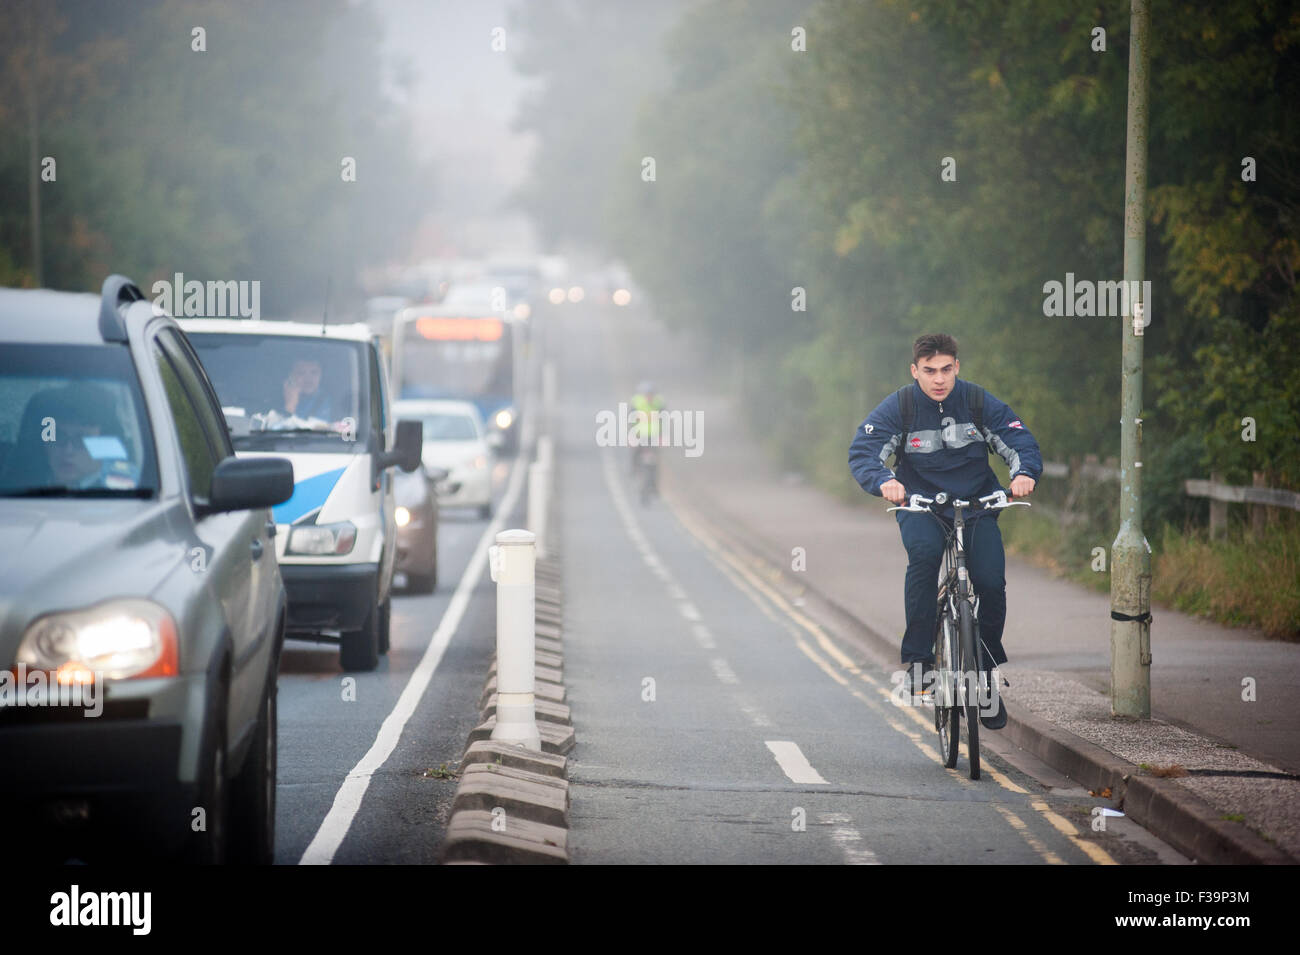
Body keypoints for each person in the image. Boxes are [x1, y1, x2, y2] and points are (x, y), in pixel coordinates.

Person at [848, 333, 1042, 729]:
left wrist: (1023, 474)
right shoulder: (900, 406)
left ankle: (985, 677)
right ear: (915, 371)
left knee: (990, 581)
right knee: (923, 556)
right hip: (920, 504)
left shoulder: (976, 402)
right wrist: (884, 482)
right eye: (930, 371)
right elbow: (864, 452)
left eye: (947, 370)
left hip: (976, 505)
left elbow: (1017, 438)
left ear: (957, 368)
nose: (939, 379)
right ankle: (920, 662)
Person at [629, 380, 664, 473]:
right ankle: (634, 468)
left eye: (650, 394)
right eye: (647, 394)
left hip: (654, 434)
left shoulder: (658, 402)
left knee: (655, 456)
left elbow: (664, 417)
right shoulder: (637, 402)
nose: (649, 397)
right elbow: (631, 417)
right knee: (635, 451)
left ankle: (655, 473)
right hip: (640, 433)